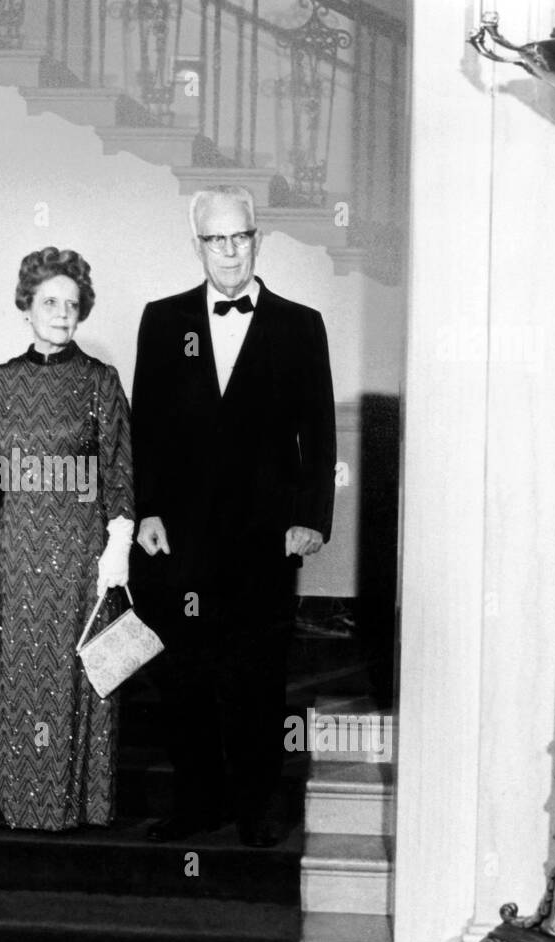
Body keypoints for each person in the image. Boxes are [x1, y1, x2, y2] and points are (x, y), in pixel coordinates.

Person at [131, 185, 336, 848]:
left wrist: (312, 516)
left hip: (264, 534)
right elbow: (148, 428)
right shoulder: (162, 321)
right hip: (180, 535)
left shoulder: (300, 324)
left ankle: (258, 805)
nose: (228, 250)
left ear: (256, 238)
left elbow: (321, 431)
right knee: (185, 674)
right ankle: (198, 801)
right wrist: (148, 511)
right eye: (215, 239)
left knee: (256, 674)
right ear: (197, 245)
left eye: (239, 237)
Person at [0, 247, 135, 831]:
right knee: (18, 672)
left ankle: (75, 803)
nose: (62, 314)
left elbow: (118, 471)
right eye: (49, 302)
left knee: (73, 672)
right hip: (17, 554)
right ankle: (14, 800)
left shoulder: (100, 382)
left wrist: (117, 550)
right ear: (27, 307)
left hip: (79, 554)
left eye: (71, 304)